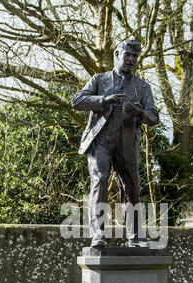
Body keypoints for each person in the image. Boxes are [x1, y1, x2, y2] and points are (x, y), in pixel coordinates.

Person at [72, 38, 159, 247]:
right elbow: (77, 101)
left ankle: (135, 235)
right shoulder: (100, 80)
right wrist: (103, 99)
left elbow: (154, 118)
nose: (131, 60)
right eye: (127, 55)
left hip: (127, 143)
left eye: (135, 56)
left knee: (132, 187)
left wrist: (139, 112)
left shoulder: (142, 87)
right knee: (100, 180)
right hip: (101, 140)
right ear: (117, 55)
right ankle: (98, 235)